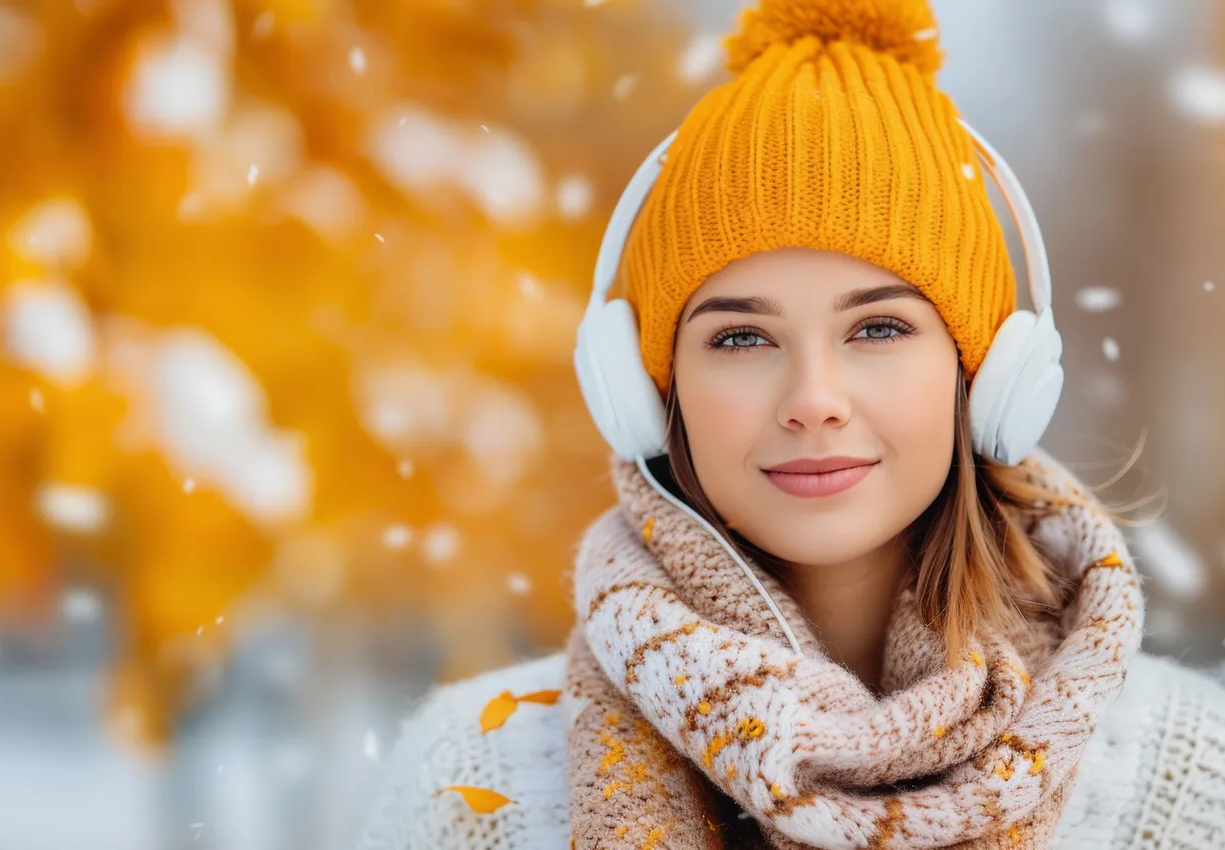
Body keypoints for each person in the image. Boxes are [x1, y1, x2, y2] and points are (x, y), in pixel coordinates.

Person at [361, 1, 1225, 847]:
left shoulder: (1191, 775)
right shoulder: (475, 778)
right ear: (649, 394)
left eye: (878, 328)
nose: (814, 398)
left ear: (985, 377)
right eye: (741, 337)